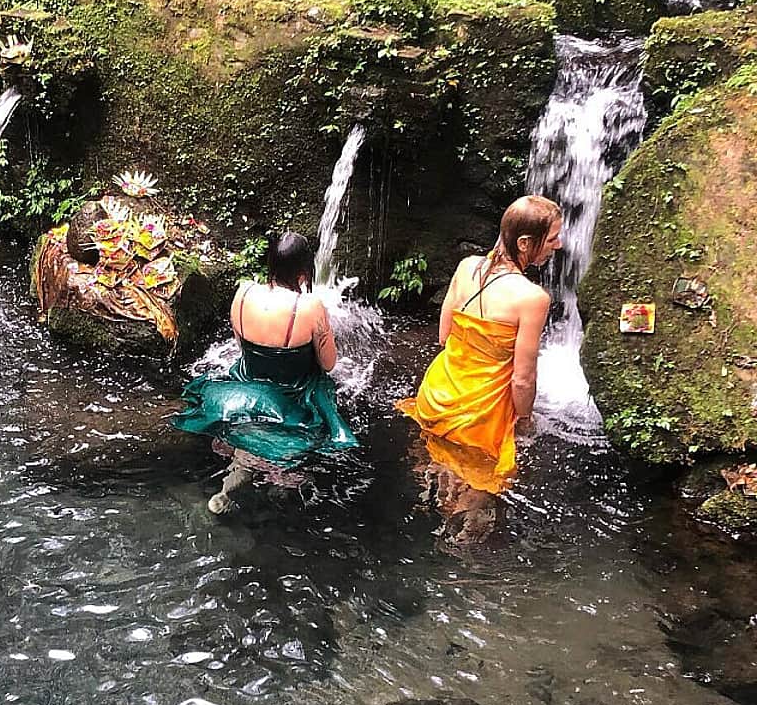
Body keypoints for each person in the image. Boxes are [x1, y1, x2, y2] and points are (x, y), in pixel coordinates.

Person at [173, 231, 358, 511]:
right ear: (304, 271)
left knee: (250, 441)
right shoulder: (309, 307)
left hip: (245, 384)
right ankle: (277, 491)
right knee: (290, 450)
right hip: (291, 394)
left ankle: (229, 487)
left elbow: (241, 345)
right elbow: (328, 363)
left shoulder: (243, 293)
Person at [397, 195, 563, 494]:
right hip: (479, 419)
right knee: (476, 503)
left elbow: (444, 336)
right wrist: (524, 421)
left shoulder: (466, 267)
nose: (559, 245)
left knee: (431, 473)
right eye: (552, 238)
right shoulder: (532, 298)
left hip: (435, 397)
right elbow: (523, 381)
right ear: (524, 243)